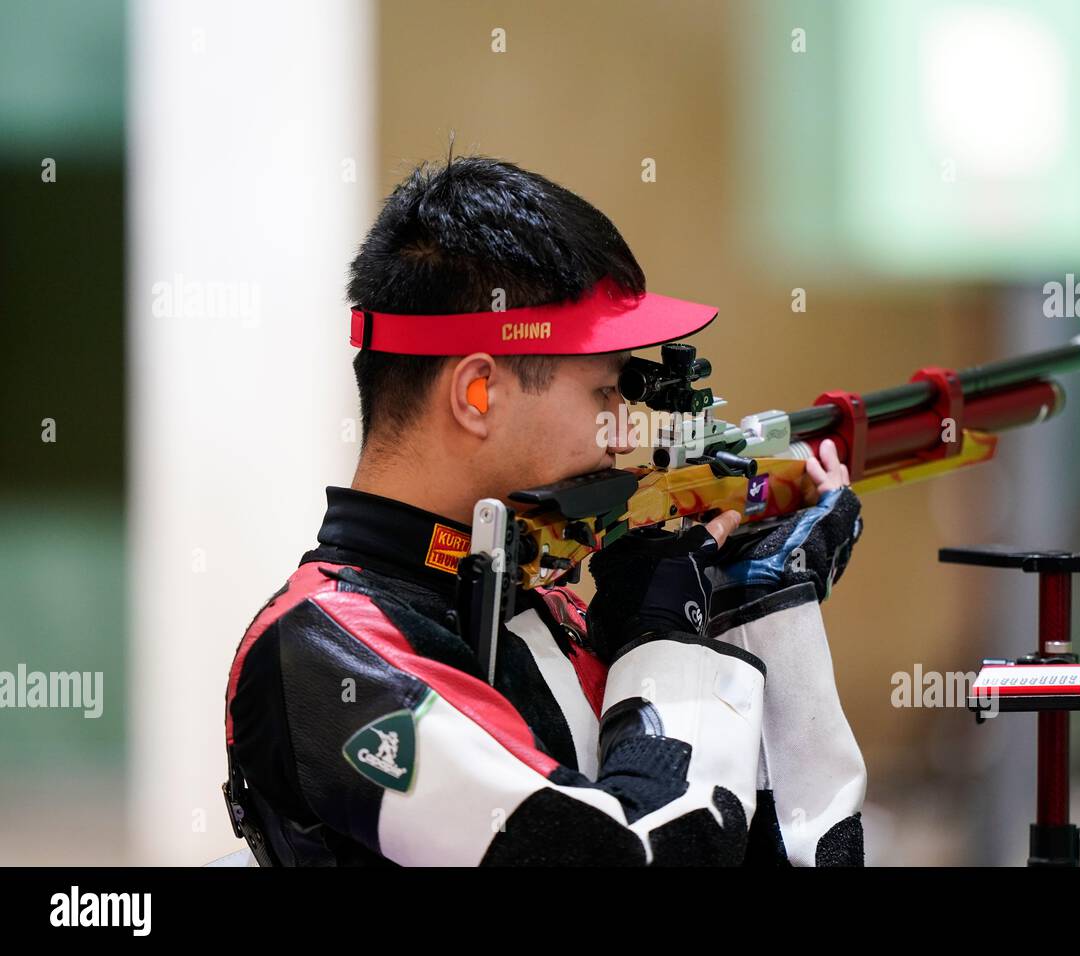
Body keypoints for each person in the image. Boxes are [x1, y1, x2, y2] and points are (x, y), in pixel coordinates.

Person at [222, 156, 866, 866]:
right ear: (477, 394)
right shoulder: (322, 653)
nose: (626, 433)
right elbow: (629, 855)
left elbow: (807, 852)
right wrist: (664, 644)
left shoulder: (544, 614)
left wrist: (760, 612)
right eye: (605, 393)